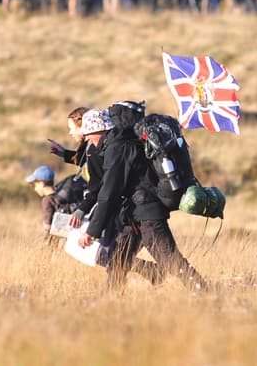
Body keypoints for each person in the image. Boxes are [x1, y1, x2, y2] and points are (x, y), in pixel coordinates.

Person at [78, 107, 188, 289]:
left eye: (89, 133)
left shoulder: (117, 149)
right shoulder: (119, 145)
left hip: (147, 213)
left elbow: (108, 194)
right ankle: (112, 304)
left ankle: (205, 291)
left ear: (98, 130)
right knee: (117, 261)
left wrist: (92, 231)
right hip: (134, 214)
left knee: (170, 259)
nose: (88, 138)